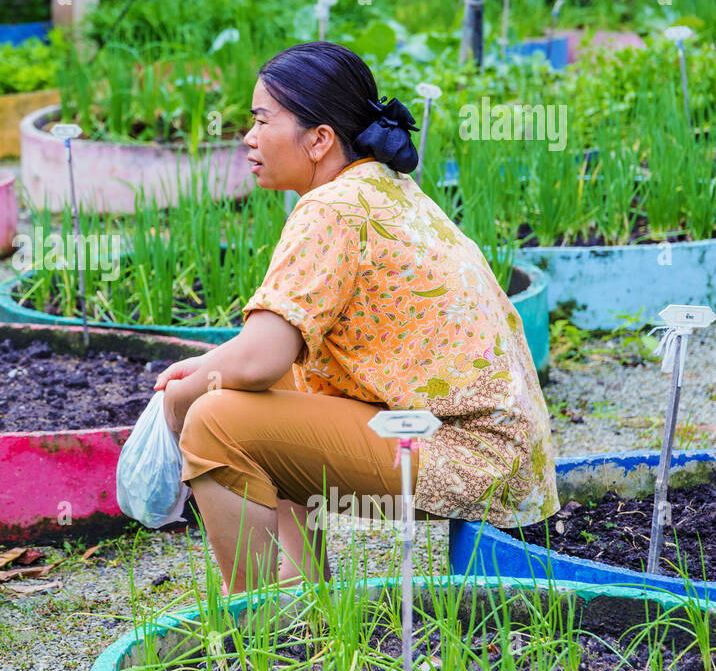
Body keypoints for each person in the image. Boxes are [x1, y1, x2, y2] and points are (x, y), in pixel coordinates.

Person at [153, 42, 559, 593]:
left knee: (215, 420)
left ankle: (253, 621)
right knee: (286, 373)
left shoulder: (330, 208)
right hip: (505, 452)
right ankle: (302, 588)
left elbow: (256, 358)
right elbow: (271, 345)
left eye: (261, 120)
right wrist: (205, 366)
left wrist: (182, 397)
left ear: (320, 139)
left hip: (466, 457)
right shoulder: (377, 185)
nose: (248, 137)